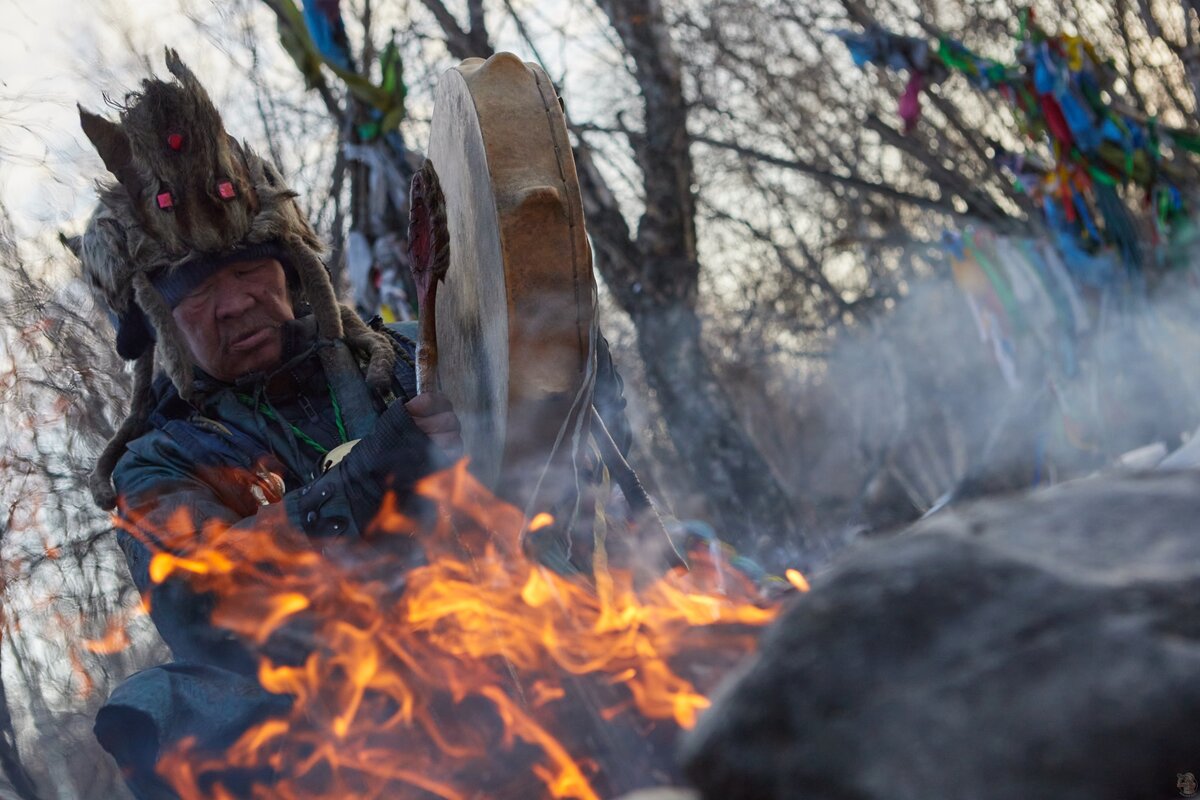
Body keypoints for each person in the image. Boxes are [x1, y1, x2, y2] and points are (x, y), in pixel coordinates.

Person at [69, 51, 464, 798]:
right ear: (159, 329)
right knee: (165, 713)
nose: (235, 302)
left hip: (517, 657)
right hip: (349, 752)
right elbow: (203, 592)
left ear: (292, 268)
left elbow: (564, 429)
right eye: (197, 293)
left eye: (249, 269)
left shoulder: (417, 356)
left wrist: (555, 352)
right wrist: (367, 482)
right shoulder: (158, 468)